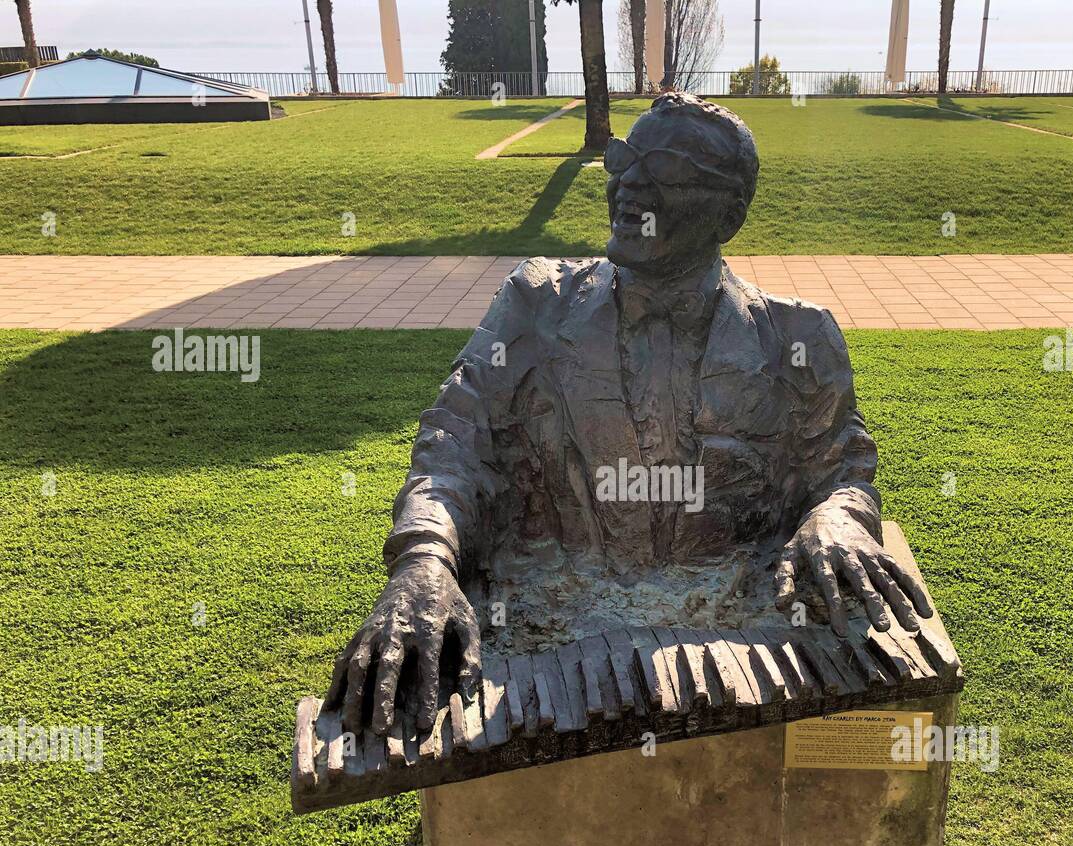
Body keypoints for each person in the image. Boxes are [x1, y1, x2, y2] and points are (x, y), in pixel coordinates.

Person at [323, 93, 932, 737]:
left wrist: (836, 519)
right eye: (624, 159)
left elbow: (840, 469)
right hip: (556, 614)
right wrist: (426, 555)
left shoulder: (796, 338)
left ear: (729, 212)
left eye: (664, 169)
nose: (627, 184)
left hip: (730, 616)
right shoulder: (537, 304)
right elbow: (455, 442)